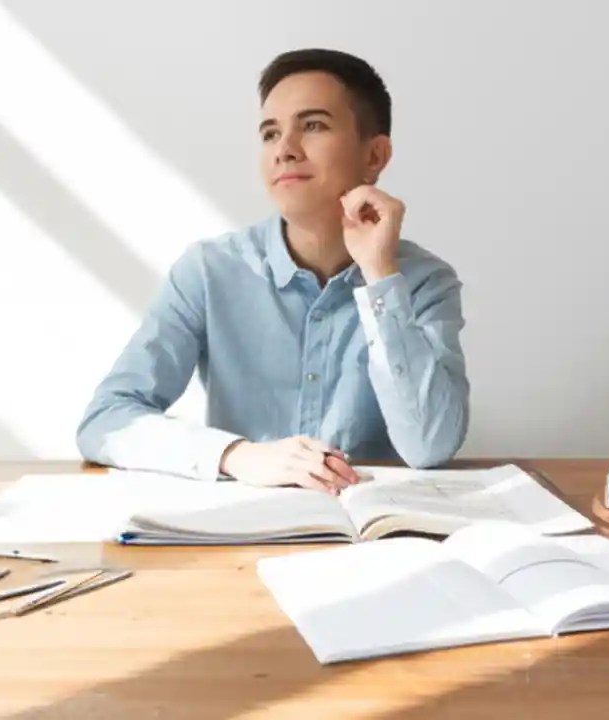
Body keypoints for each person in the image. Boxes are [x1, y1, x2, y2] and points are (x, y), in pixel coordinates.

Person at [76, 48, 468, 495]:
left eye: (313, 126)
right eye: (269, 132)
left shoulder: (423, 282)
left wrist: (380, 275)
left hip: (375, 539)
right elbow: (106, 420)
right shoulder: (208, 272)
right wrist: (239, 455)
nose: (284, 150)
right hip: (243, 537)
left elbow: (430, 446)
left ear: (374, 156)